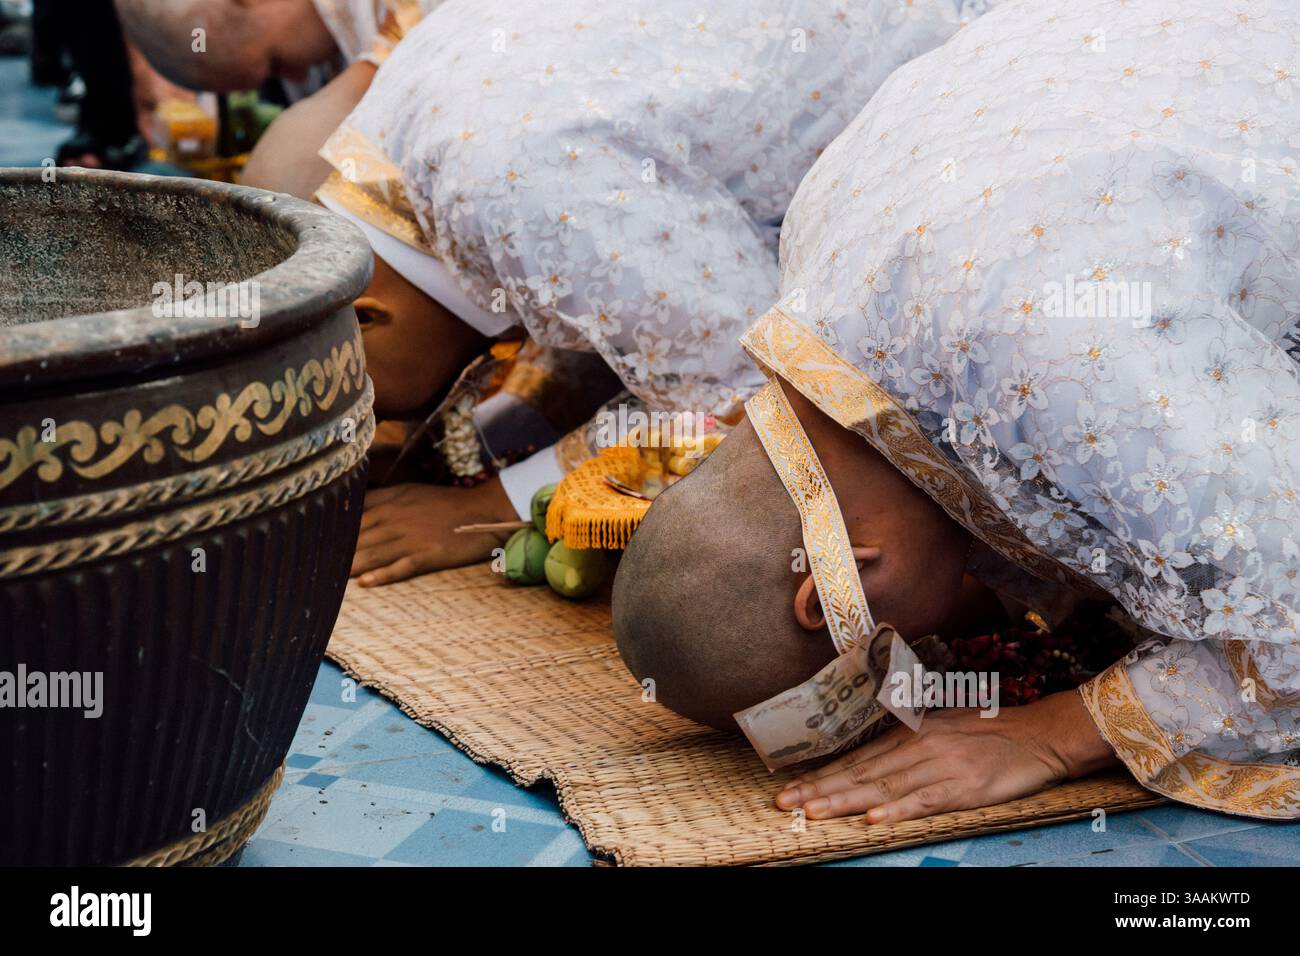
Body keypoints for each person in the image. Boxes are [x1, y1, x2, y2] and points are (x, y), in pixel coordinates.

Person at [613, 0, 1300, 823]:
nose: (933, 657)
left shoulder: (1044, 361)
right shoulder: (815, 252)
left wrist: (1054, 732)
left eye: (901, 654)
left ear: (845, 579)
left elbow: (1287, 611)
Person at [301, 0, 1002, 585]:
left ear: (365, 315)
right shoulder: (393, 122)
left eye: (382, 407)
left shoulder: (514, 192)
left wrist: (501, 502)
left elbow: (760, 387)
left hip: (965, 81)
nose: (399, 422)